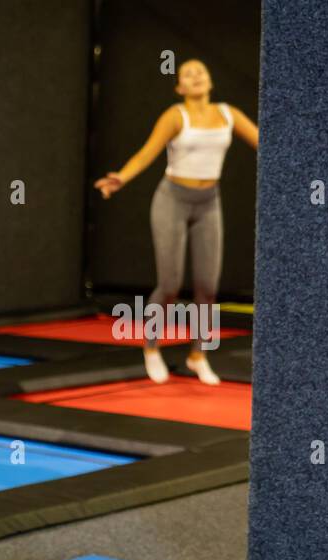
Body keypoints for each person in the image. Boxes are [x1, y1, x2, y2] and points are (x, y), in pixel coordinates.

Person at [94, 58, 258, 384]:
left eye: (201, 71)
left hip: (209, 203)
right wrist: (120, 179)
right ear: (179, 87)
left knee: (208, 288)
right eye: (188, 73)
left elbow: (265, 143)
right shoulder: (175, 115)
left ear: (210, 81)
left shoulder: (228, 114)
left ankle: (198, 355)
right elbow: (147, 152)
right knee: (169, 285)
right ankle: (151, 347)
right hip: (172, 200)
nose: (196, 76)